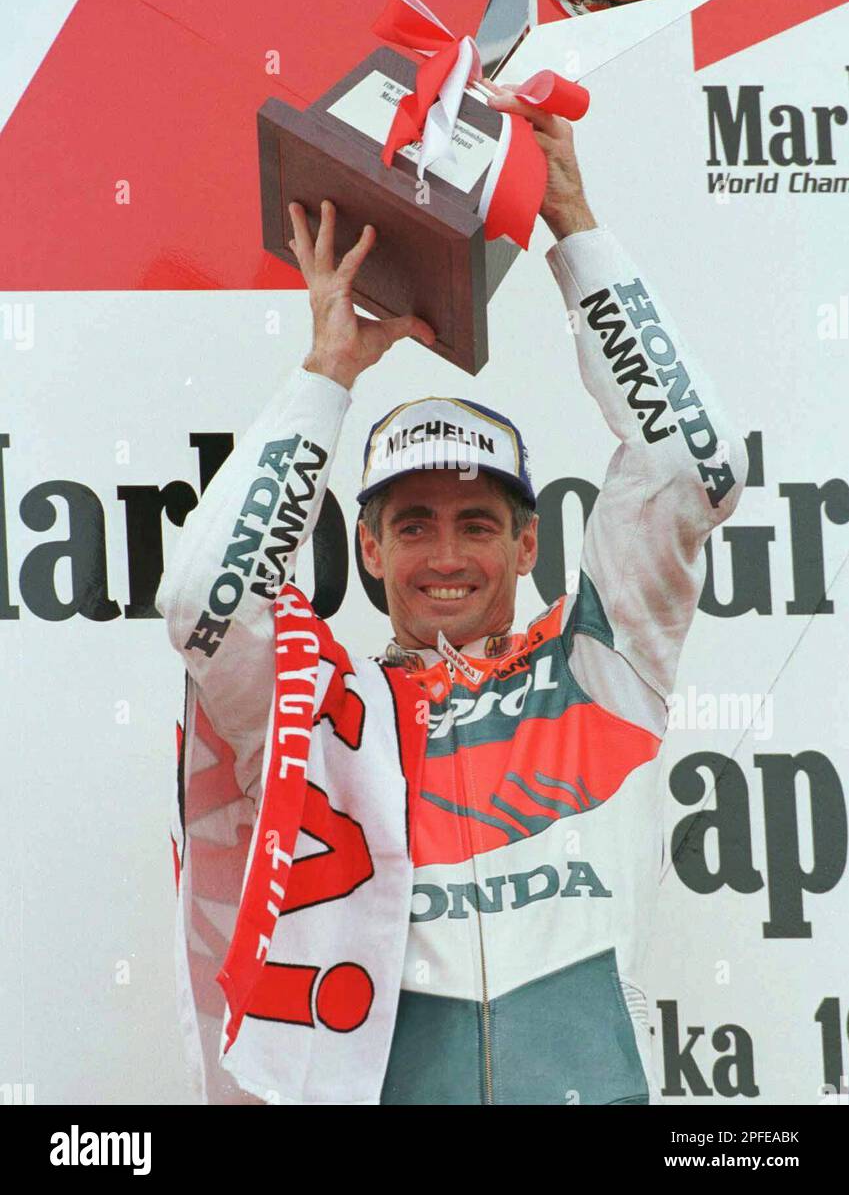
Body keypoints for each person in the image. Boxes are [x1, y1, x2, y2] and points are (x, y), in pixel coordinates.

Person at [156, 85, 748, 1105]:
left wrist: (572, 224)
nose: (446, 554)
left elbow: (697, 467)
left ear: (527, 545)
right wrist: (328, 371)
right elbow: (205, 600)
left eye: (477, 524)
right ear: (371, 551)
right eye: (414, 523)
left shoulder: (602, 665)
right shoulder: (319, 713)